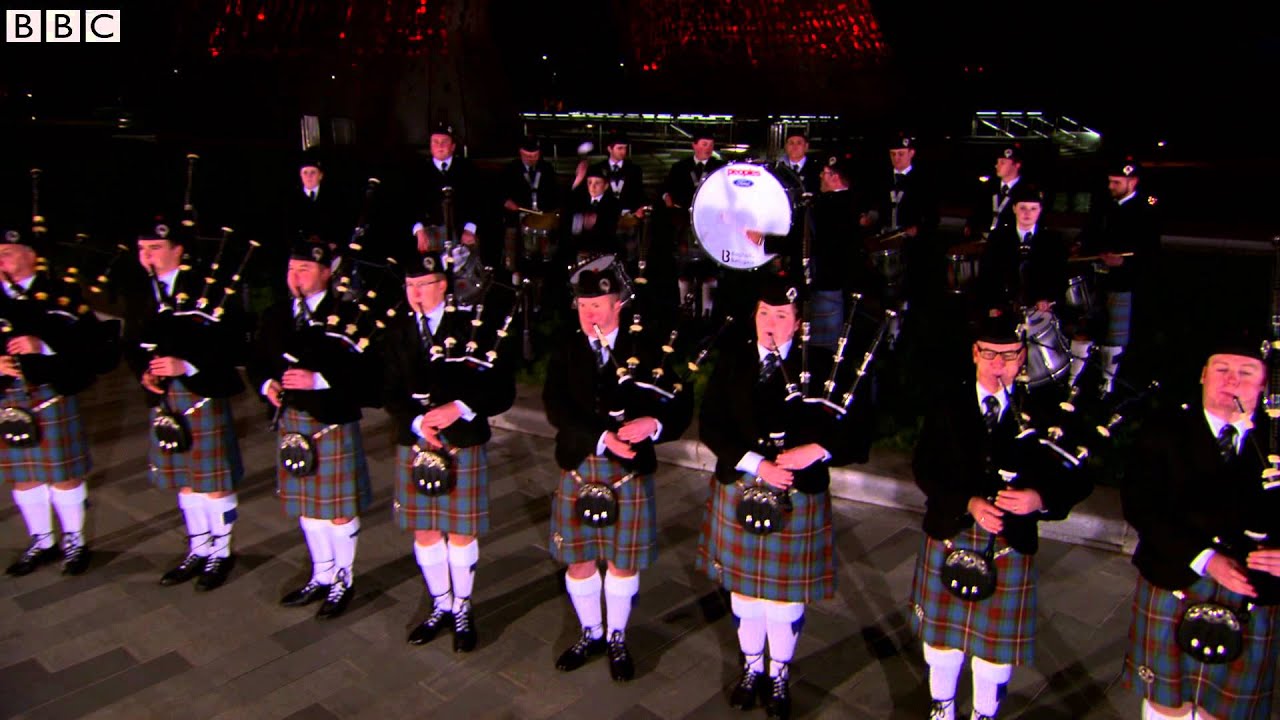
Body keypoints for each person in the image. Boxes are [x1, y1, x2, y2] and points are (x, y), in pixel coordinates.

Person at [698, 277, 872, 719]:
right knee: (744, 593)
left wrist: (818, 449)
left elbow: (858, 430)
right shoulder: (735, 359)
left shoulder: (823, 366)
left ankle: (779, 674)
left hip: (798, 496)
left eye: (780, 316)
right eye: (763, 314)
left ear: (797, 323)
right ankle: (752, 667)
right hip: (742, 485)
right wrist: (759, 464)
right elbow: (712, 426)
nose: (770, 324)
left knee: (782, 597)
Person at [910, 316, 1091, 720]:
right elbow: (924, 467)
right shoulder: (948, 401)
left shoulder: (1046, 409)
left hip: (1010, 546)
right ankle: (942, 707)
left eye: (1009, 356)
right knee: (943, 640)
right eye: (989, 354)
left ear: (1023, 357)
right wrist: (968, 503)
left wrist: (1039, 499)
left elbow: (1078, 478)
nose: (998, 364)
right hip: (951, 530)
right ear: (975, 354)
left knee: (994, 647)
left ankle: (984, 713)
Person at [542, 264, 692, 682]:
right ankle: (591, 632)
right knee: (579, 560)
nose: (589, 313)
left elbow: (678, 405)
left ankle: (617, 636)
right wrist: (603, 438)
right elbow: (556, 407)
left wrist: (654, 425)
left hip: (628, 472)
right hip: (580, 461)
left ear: (619, 306)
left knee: (623, 563)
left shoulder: (646, 349)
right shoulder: (568, 347)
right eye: (583, 305)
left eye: (598, 305)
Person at [1121, 340, 1280, 720]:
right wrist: (1206, 559)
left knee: (1224, 709)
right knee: (1166, 700)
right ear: (1203, 375)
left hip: (1253, 593)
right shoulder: (1163, 430)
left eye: (1245, 373)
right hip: (1175, 575)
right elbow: (1141, 505)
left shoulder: (1274, 440)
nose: (1231, 380)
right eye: (1221, 368)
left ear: (1264, 384)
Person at [383, 250, 516, 652]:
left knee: (460, 531)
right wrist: (415, 422)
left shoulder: (474, 324)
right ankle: (440, 604)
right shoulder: (396, 330)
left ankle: (462, 606)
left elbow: (501, 388)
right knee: (425, 530)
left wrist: (458, 407)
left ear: (444, 285)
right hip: (416, 440)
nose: (416, 293)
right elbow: (386, 389)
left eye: (424, 284)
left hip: (461, 441)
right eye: (409, 286)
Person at [247, 238, 374, 620]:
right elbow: (257, 361)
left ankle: (342, 580)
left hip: (331, 419)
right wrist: (265, 384)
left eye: (304, 269)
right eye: (291, 269)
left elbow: (368, 374)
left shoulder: (350, 315)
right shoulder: (275, 315)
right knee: (308, 506)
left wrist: (320, 379)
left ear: (326, 272)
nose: (295, 276)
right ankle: (320, 574)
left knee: (337, 510)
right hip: (292, 423)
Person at [123, 218, 246, 591]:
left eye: (155, 248)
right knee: (185, 481)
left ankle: (222, 552)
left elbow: (232, 341)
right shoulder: (141, 290)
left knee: (212, 482)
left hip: (202, 391)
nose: (147, 256)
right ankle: (198, 547)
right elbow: (131, 339)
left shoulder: (206, 286)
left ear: (179, 249)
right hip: (165, 397)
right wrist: (143, 372)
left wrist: (188, 364)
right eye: (142, 249)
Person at [0, 219, 97, 577]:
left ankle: (75, 540)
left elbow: (89, 345)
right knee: (23, 475)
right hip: (6, 397)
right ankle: (41, 540)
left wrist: (43, 346)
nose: (1, 261)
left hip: (51, 394)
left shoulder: (62, 294)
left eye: (7, 254)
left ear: (31, 256)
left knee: (62, 474)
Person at [1070, 156, 1161, 396]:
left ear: (1132, 183)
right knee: (1084, 328)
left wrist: (1123, 261)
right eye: (1110, 182)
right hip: (1094, 278)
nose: (1111, 187)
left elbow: (1151, 252)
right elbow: (1088, 232)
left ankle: (1107, 383)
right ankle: (1073, 380)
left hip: (1123, 283)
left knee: (1114, 336)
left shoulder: (1146, 211)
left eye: (1116, 183)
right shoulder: (1103, 205)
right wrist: (1080, 245)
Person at [976, 184, 1067, 319]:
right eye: (1022, 208)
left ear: (1040, 210)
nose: (1027, 213)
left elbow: (1059, 274)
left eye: (1033, 209)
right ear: (1014, 209)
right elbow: (988, 273)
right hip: (1005, 306)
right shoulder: (998, 237)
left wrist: (1046, 298)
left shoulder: (1052, 240)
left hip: (1040, 307)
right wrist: (993, 305)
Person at [408, 123, 484, 261]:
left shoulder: (467, 169)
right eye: (435, 142)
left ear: (453, 146)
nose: (440, 146)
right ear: (430, 146)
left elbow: (478, 200)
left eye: (444, 142)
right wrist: (418, 230)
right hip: (429, 232)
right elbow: (411, 202)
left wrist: (470, 228)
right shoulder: (418, 171)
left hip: (462, 232)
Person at [964, 145, 1024, 240]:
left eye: (1002, 163)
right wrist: (971, 225)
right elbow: (978, 209)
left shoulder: (1025, 191)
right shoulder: (989, 186)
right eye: (997, 162)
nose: (997, 166)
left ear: (1017, 165)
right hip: (984, 237)